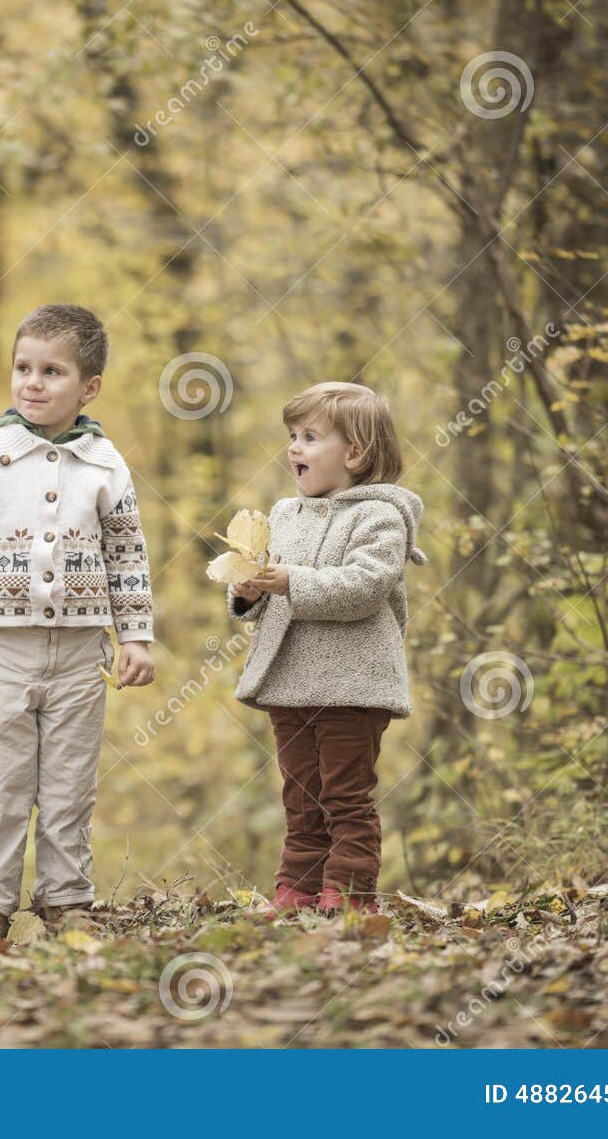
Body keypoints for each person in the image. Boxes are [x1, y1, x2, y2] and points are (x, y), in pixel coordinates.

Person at [0, 304, 156, 951]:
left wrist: (136, 635)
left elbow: (127, 556)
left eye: (52, 371)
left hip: (81, 652)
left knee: (70, 784)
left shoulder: (106, 464)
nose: (33, 382)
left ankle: (67, 900)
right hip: (1, 649)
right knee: (4, 784)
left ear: (89, 386)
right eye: (24, 368)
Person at [227, 381, 427, 916]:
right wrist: (248, 592)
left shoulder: (380, 518)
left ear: (355, 452)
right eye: (292, 435)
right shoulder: (285, 514)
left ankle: (348, 893)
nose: (294, 447)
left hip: (350, 686)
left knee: (345, 798)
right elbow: (273, 594)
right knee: (301, 799)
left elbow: (364, 588)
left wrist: (292, 580)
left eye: (310, 437)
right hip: (289, 684)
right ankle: (297, 888)